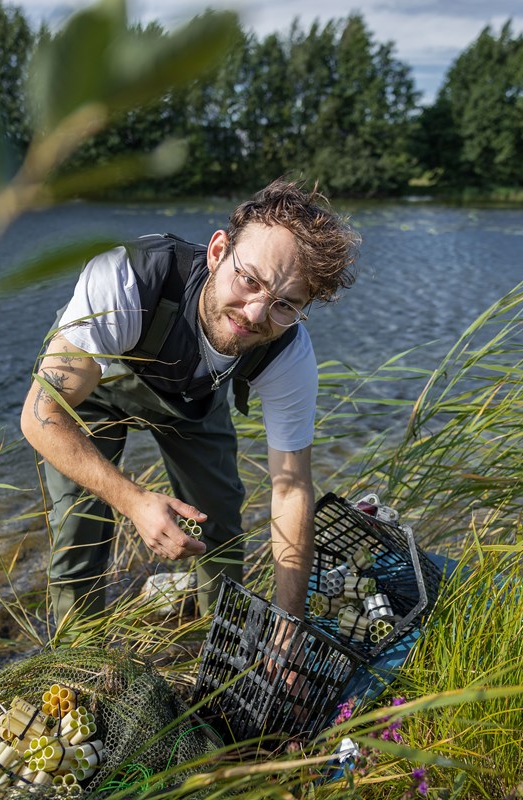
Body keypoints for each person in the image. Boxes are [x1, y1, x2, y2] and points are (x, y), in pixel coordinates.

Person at [20, 178, 359, 633]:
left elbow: (291, 489)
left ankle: (220, 637)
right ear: (218, 252)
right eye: (249, 280)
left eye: (285, 305)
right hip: (91, 395)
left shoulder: (288, 353)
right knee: (78, 531)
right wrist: (136, 502)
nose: (255, 314)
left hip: (195, 399)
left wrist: (289, 623)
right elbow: (40, 416)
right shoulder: (128, 276)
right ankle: (79, 659)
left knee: (218, 518)